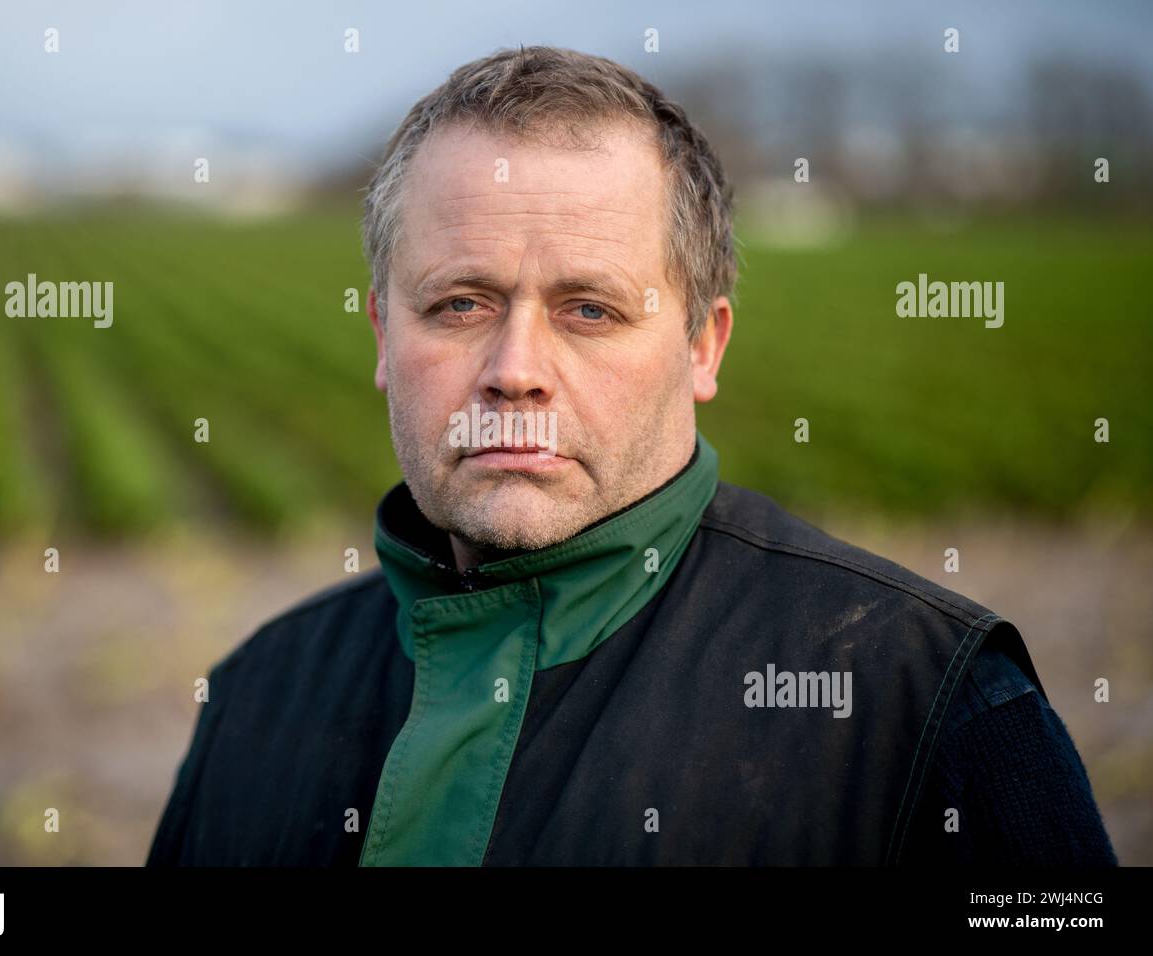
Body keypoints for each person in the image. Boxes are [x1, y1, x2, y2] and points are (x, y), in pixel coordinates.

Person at [146, 46, 1117, 866]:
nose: (514, 370)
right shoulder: (255, 694)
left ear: (704, 345)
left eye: (589, 309)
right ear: (380, 336)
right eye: (459, 303)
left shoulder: (927, 704)